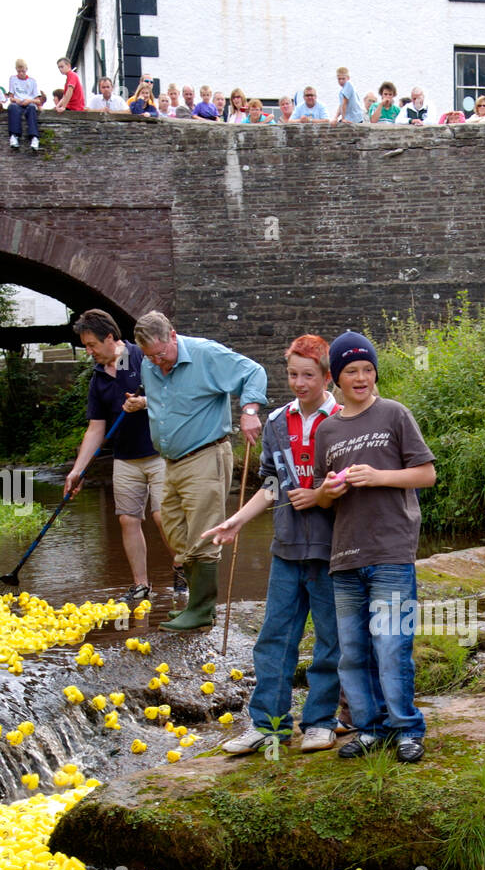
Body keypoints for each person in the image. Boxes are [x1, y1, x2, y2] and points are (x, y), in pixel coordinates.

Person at [209, 334, 343, 755]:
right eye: (292, 374)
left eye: (308, 375)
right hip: (286, 547)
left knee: (331, 640)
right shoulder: (276, 423)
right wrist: (237, 520)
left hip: (333, 550)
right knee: (273, 638)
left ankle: (321, 721)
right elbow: (271, 484)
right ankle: (268, 724)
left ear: (327, 376)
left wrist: (322, 492)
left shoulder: (345, 420)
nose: (299, 383)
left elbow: (360, 482)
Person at [313, 332, 436, 763]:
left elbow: (425, 474)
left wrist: (379, 476)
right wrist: (328, 489)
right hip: (345, 555)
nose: (361, 377)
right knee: (352, 652)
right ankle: (370, 728)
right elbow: (321, 498)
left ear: (375, 373)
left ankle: (407, 729)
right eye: (351, 371)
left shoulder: (394, 414)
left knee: (390, 644)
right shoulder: (326, 430)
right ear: (336, 377)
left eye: (367, 369)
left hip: (391, 552)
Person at [133, 311, 267, 632]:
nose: (157, 362)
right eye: (149, 357)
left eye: (161, 354)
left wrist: (248, 411)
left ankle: (202, 609)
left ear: (173, 336)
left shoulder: (206, 354)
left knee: (204, 532)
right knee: (176, 532)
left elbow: (253, 372)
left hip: (205, 454)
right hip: (171, 461)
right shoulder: (149, 363)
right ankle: (194, 604)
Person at [66, 309, 179, 600]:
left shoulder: (141, 356)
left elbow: (174, 395)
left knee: (162, 515)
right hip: (125, 457)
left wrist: (144, 402)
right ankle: (141, 585)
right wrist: (77, 471)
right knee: (128, 519)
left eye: (91, 344)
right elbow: (95, 429)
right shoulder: (98, 378)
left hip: (158, 452)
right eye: (85, 346)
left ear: (110, 338)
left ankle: (182, 567)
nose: (88, 351)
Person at [7, 59, 40, 150]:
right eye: (19, 71)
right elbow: (11, 97)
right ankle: (14, 136)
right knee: (12, 107)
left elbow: (38, 100)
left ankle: (34, 137)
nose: (21, 73)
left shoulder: (32, 81)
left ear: (26, 69)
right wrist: (16, 100)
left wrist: (29, 101)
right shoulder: (13, 79)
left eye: (23, 71)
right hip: (18, 103)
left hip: (29, 103)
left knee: (31, 109)